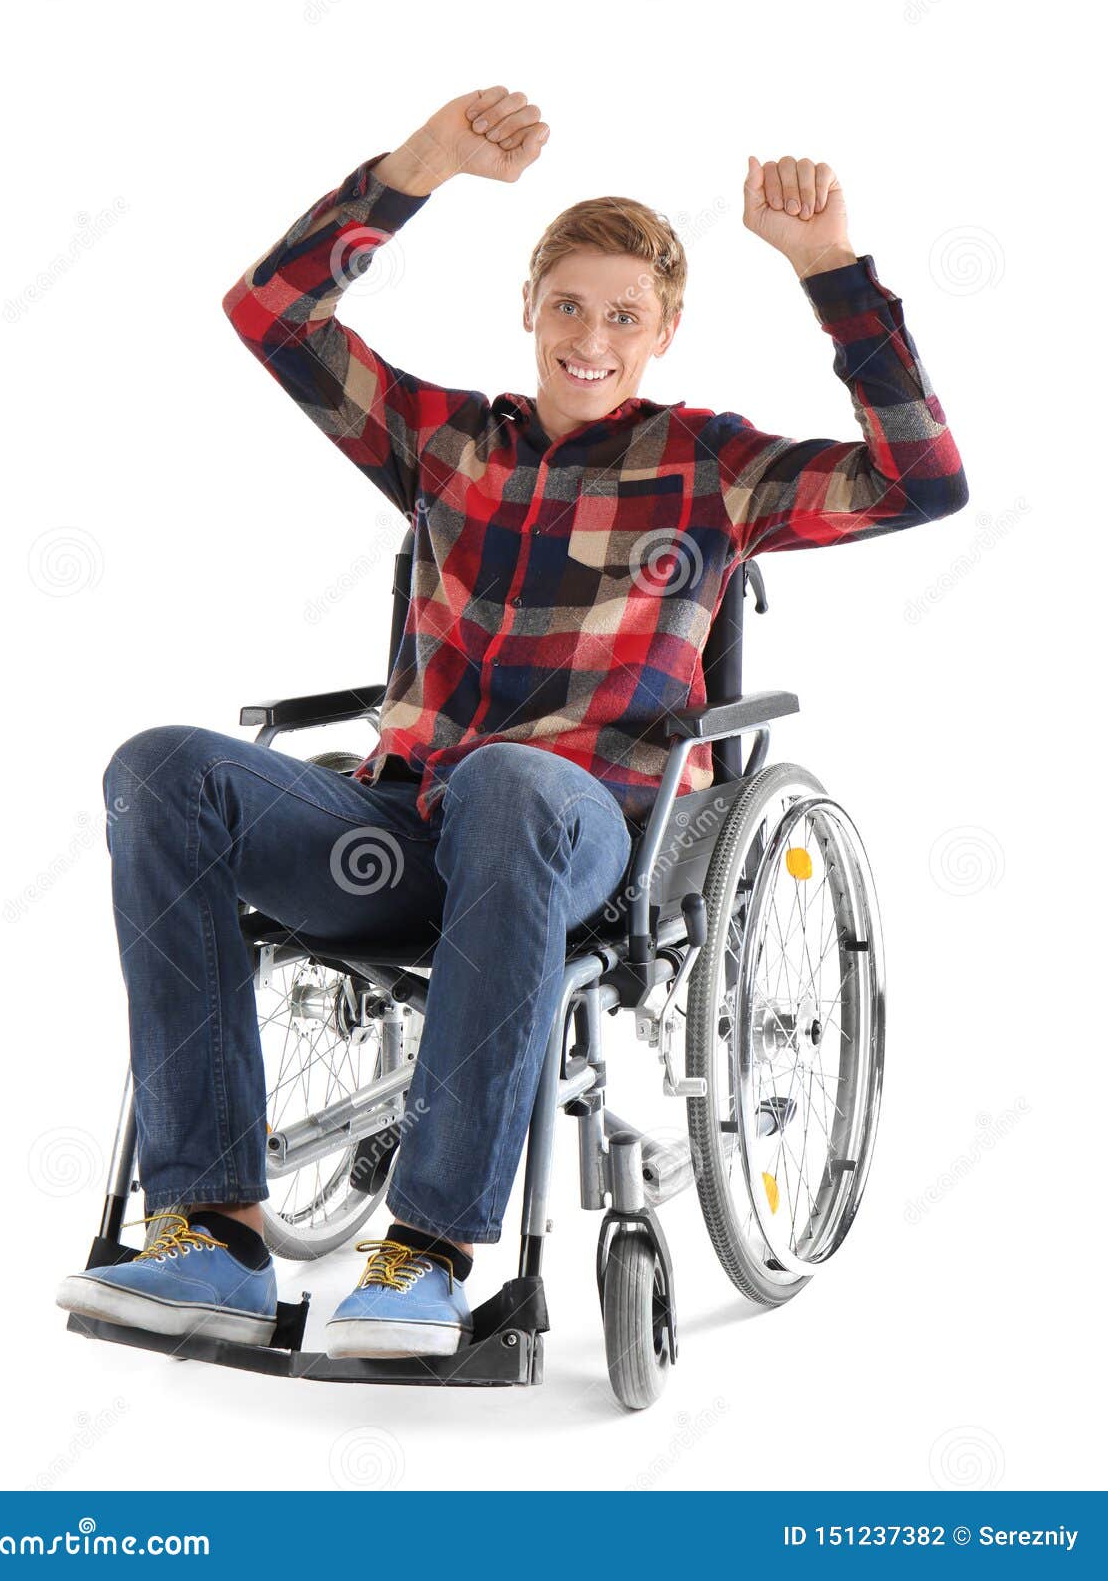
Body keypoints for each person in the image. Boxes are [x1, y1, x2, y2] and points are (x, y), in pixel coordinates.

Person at [57, 85, 968, 1359]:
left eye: (624, 316)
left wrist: (830, 271)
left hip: (578, 839)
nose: (591, 337)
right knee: (161, 769)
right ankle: (214, 1234)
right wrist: (420, 166)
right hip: (397, 833)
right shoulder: (444, 443)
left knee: (510, 780)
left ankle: (427, 1252)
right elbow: (271, 314)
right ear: (529, 309)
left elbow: (923, 480)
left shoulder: (712, 468)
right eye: (568, 306)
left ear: (663, 332)